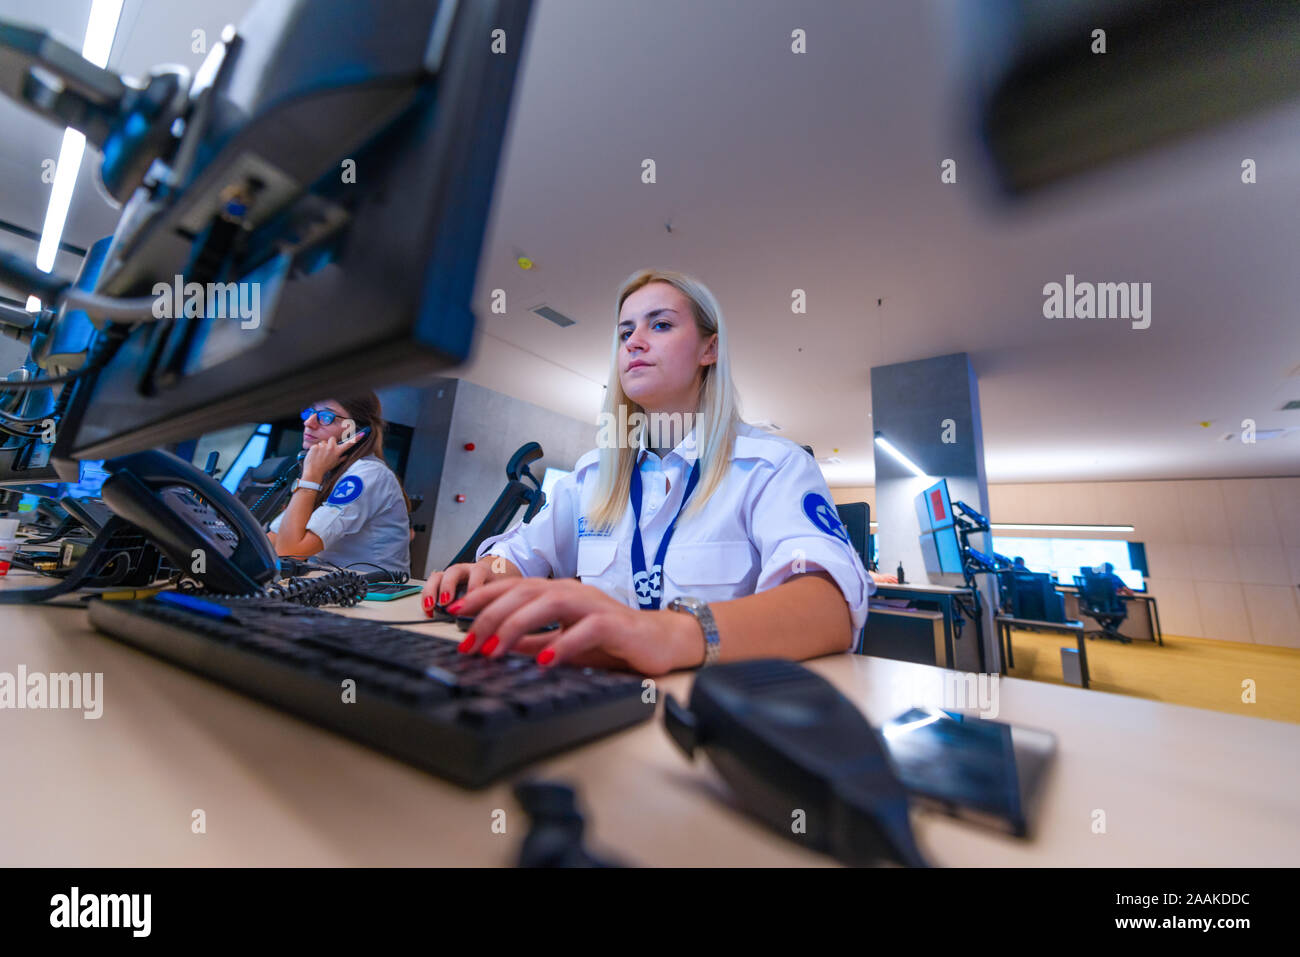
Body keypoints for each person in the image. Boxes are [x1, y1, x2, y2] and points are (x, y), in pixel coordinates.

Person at [420, 269, 874, 675]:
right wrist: (485, 572)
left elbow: (828, 608)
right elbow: (520, 555)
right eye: (624, 332)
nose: (634, 341)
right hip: (595, 699)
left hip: (712, 714)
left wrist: (667, 634)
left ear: (709, 349)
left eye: (660, 325)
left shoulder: (773, 466)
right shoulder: (591, 476)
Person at [267, 392, 411, 576]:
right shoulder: (328, 473)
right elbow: (272, 541)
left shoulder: (369, 475)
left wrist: (310, 477)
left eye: (326, 417)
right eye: (310, 412)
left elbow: (288, 553)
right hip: (330, 587)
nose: (308, 422)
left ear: (354, 431)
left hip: (371, 596)